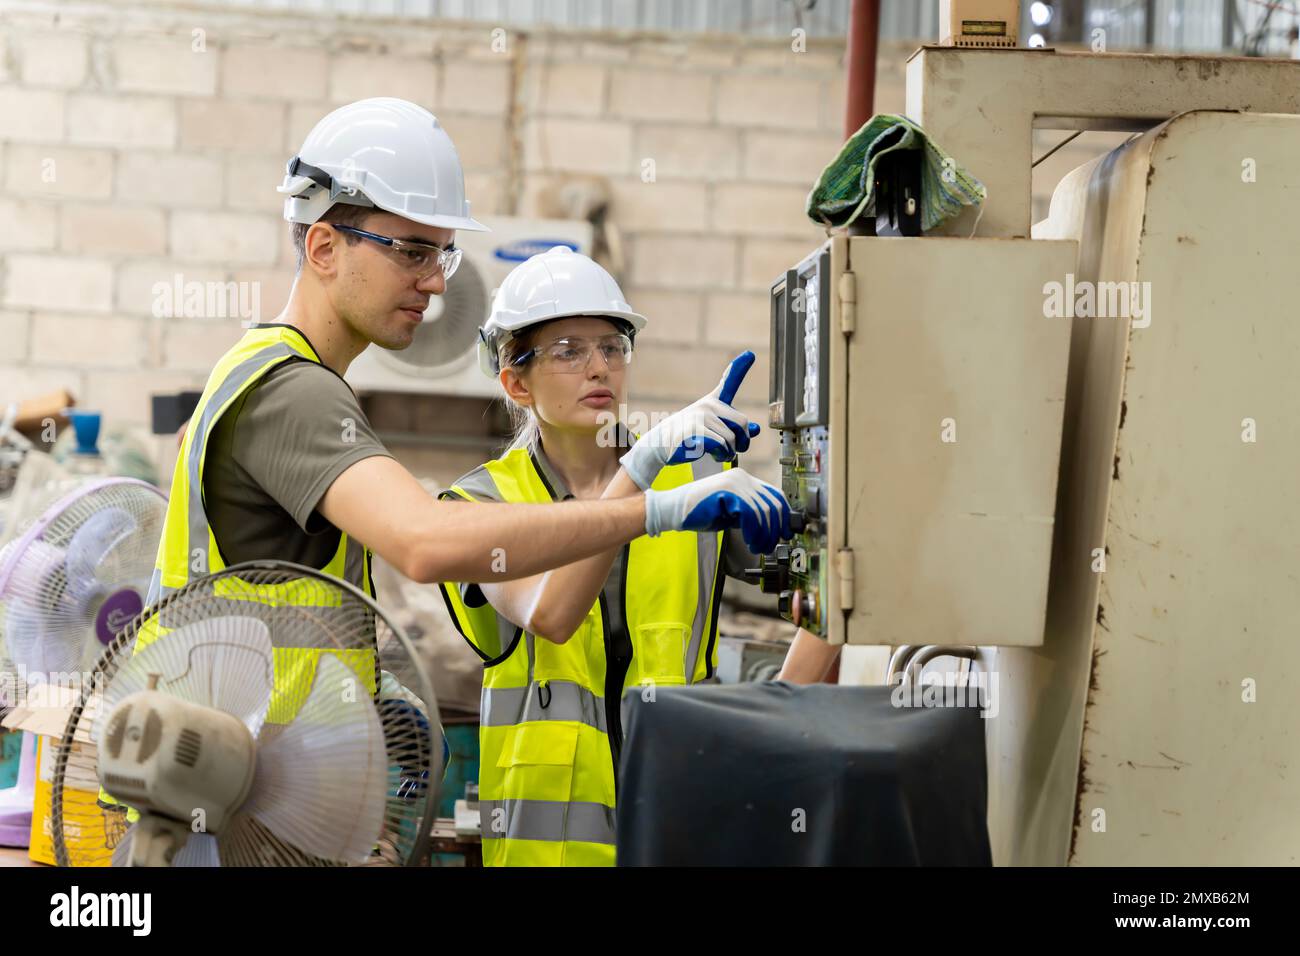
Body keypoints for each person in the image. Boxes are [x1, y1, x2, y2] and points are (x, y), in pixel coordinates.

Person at [133, 99, 789, 839]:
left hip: (249, 799)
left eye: (440, 254)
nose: (438, 282)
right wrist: (649, 500)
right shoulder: (293, 391)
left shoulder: (281, 378)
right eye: (411, 251)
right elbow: (424, 541)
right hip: (233, 809)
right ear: (322, 247)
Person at [439, 246, 793, 866]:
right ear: (515, 382)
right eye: (568, 351)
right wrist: (645, 463)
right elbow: (549, 614)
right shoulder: (479, 502)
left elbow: (828, 592)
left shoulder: (696, 479)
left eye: (612, 346)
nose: (598, 367)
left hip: (679, 832)